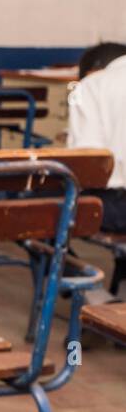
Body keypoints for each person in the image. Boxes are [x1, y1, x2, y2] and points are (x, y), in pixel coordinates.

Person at [68, 41, 126, 292]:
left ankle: (88, 293)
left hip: (118, 207)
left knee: (27, 206)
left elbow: (87, 165)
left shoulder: (93, 86)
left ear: (95, 69)